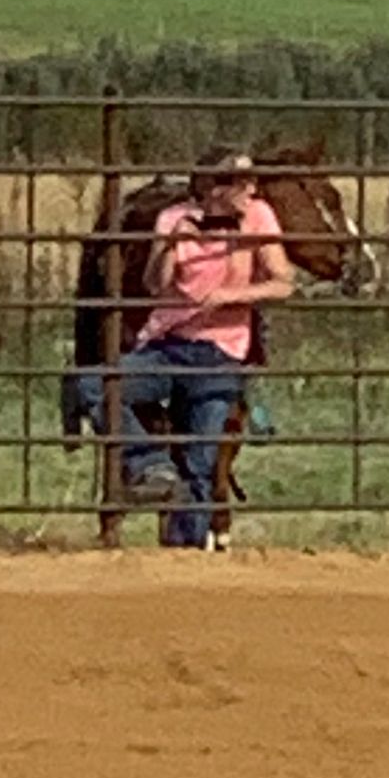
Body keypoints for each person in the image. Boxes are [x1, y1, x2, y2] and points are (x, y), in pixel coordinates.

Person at [117, 148, 295, 549]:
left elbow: (284, 282)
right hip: (166, 344)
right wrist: (172, 245)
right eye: (241, 181)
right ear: (213, 187)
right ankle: (150, 465)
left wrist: (232, 295)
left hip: (221, 351)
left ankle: (187, 549)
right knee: (97, 386)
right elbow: (154, 286)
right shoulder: (173, 218)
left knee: (201, 459)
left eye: (252, 180)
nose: (251, 188)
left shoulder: (258, 216)